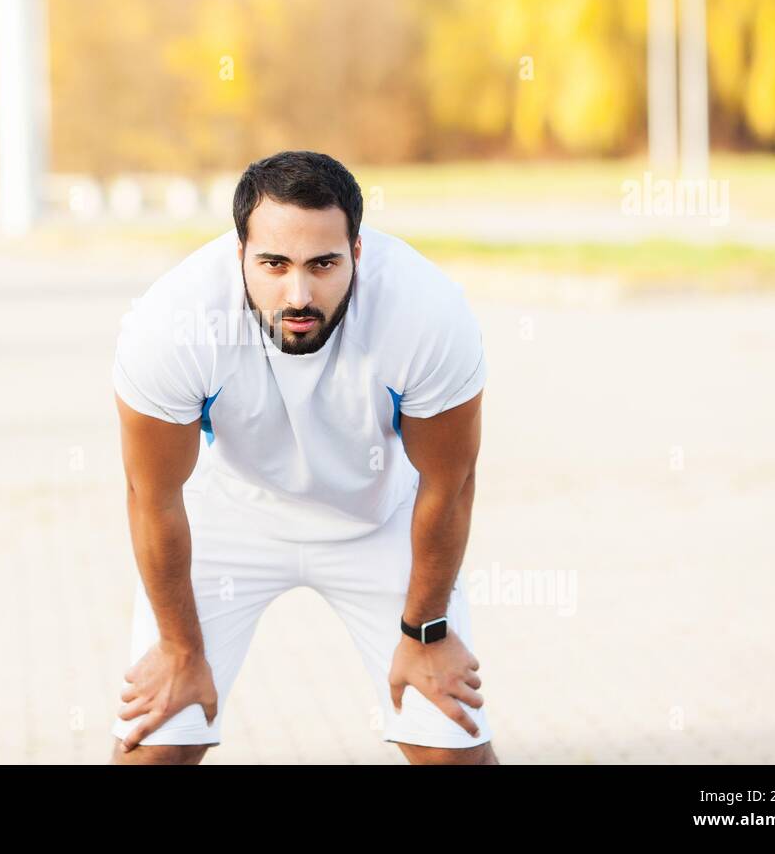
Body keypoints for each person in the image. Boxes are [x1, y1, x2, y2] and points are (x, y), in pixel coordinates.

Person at [108, 150, 497, 765]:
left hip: (381, 522)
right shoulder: (172, 325)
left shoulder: (427, 315)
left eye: (323, 264)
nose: (299, 293)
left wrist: (425, 632)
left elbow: (449, 484)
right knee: (154, 746)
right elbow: (151, 498)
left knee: (450, 751)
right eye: (273, 264)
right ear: (239, 255)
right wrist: (181, 649)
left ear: (358, 254)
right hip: (231, 515)